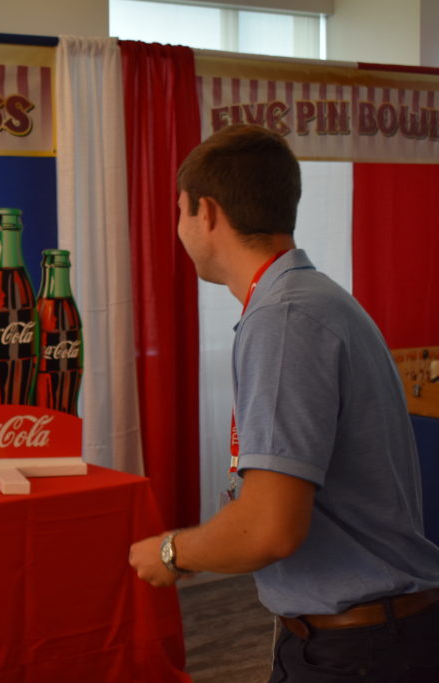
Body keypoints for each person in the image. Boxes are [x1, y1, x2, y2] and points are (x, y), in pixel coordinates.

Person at [128, 123, 439, 681]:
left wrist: (172, 552)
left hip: (358, 651)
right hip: (360, 635)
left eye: (180, 211)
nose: (178, 228)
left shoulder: (285, 319)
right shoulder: (308, 299)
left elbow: (271, 526)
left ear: (209, 213)